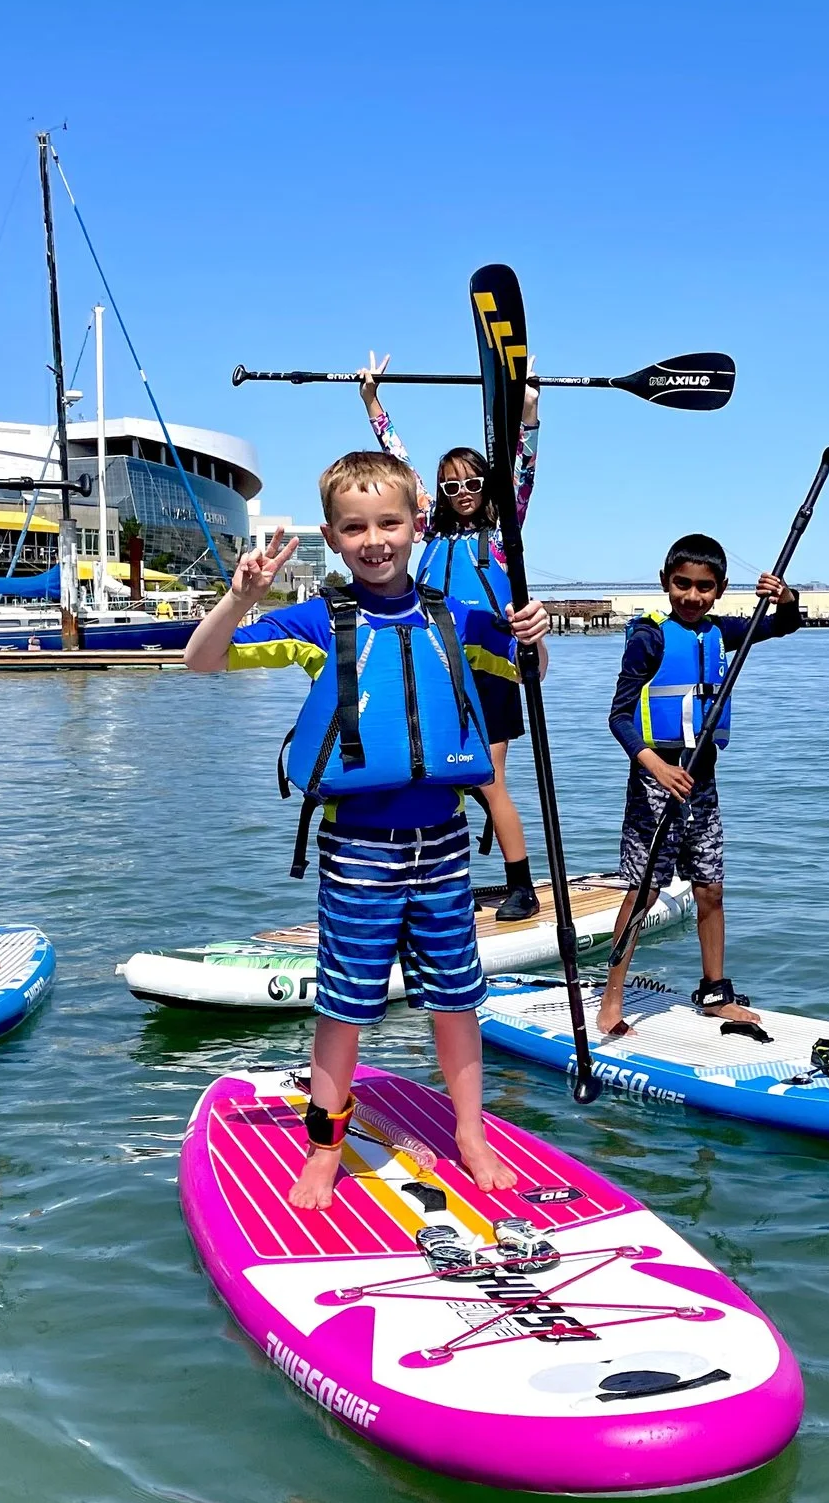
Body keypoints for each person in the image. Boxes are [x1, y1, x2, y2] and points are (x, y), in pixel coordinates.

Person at [183, 448, 552, 1211]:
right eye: (355, 528)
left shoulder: (457, 617)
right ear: (333, 533)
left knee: (456, 999)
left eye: (389, 522)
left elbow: (532, 669)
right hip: (357, 851)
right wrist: (236, 598)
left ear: (418, 524)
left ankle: (471, 1134)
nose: (374, 539)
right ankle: (325, 1148)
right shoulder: (319, 621)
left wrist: (536, 631)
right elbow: (201, 662)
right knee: (346, 1007)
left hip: (445, 845)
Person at [359, 355, 545, 920]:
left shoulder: (502, 527)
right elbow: (400, 464)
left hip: (491, 671)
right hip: (438, 668)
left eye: (471, 482)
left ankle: (522, 885)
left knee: (488, 781)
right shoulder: (425, 528)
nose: (461, 490)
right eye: (450, 485)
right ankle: (433, 880)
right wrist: (372, 402)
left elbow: (522, 468)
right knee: (441, 774)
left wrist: (528, 411)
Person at [595, 535, 801, 1037]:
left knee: (710, 889)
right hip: (655, 781)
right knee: (643, 892)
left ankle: (714, 994)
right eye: (682, 585)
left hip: (702, 780)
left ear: (720, 589)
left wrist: (786, 597)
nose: (692, 596)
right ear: (666, 582)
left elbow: (782, 624)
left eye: (704, 588)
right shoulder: (650, 637)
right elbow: (619, 716)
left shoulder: (720, 632)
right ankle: (612, 999)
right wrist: (654, 766)